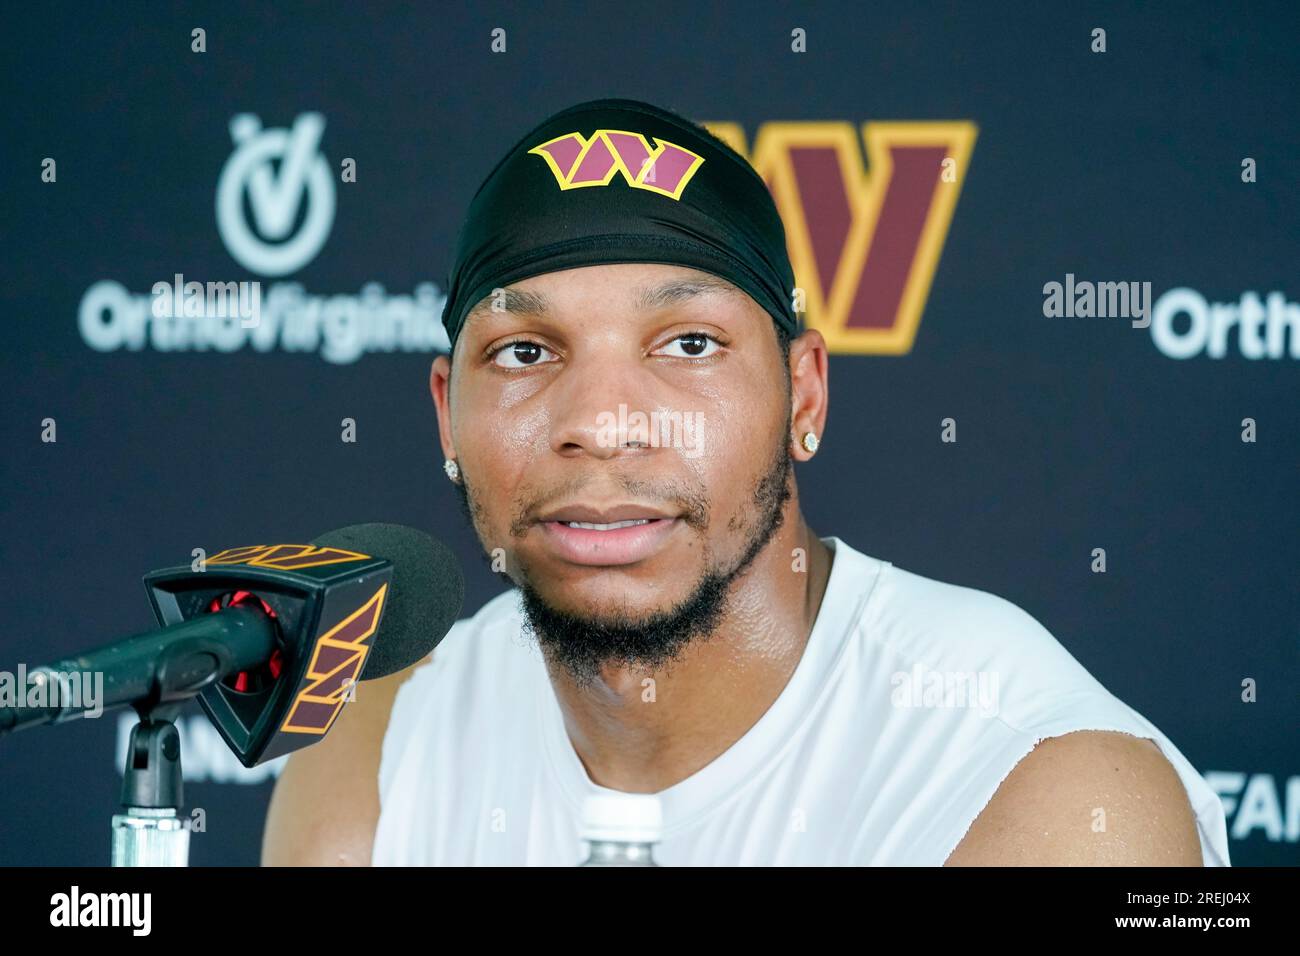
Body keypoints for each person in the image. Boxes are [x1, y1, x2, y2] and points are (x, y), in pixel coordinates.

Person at [262, 98, 1230, 866]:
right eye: (524, 350)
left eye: (687, 343)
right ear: (445, 413)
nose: (602, 422)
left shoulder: (1049, 786)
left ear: (803, 392)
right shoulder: (380, 738)